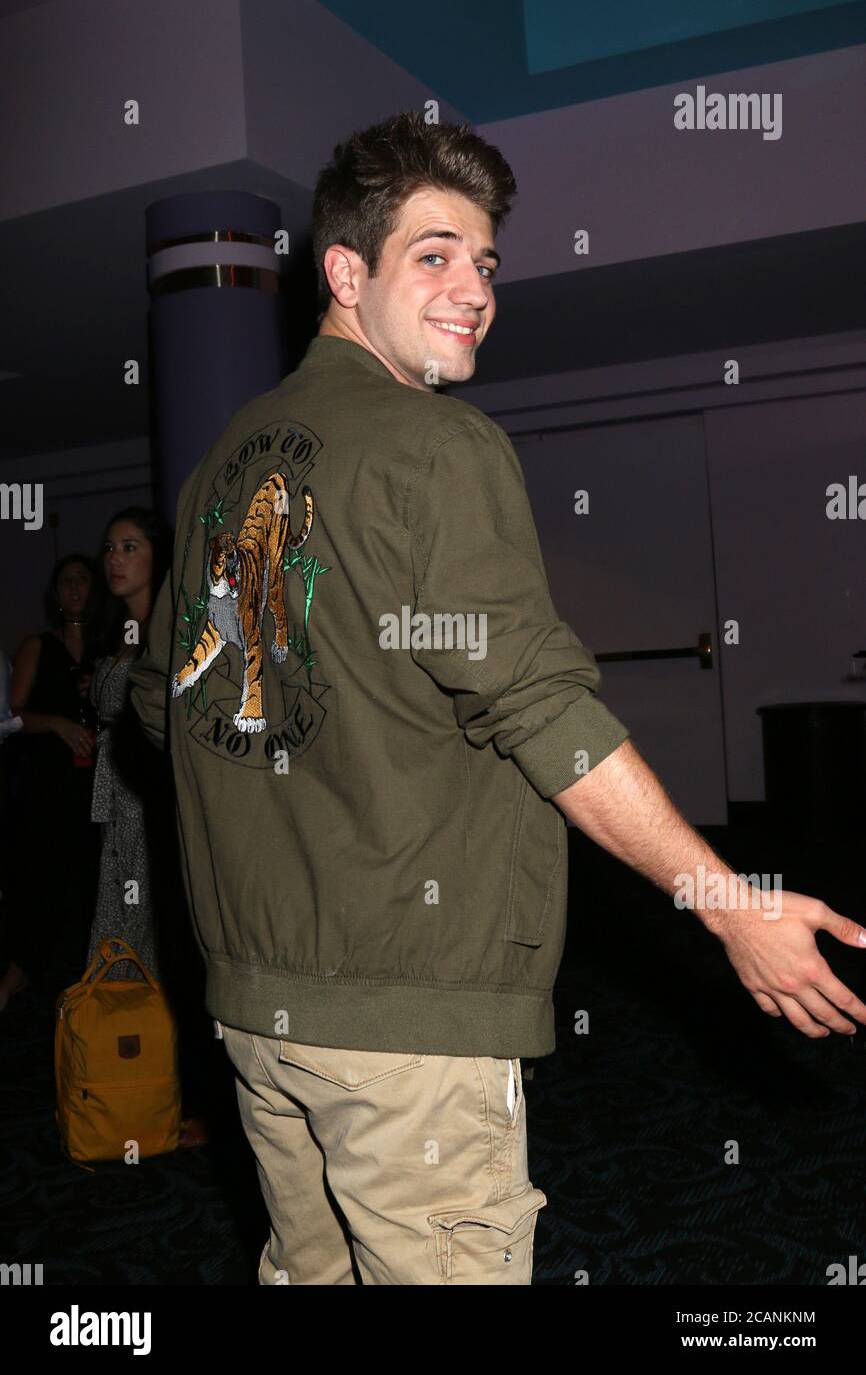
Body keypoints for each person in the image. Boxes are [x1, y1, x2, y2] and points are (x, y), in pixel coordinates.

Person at [127, 112, 866, 1286]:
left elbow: (167, 709)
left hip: (257, 1014)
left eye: (484, 262)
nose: (472, 288)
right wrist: (727, 902)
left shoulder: (222, 467)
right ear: (344, 271)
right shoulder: (436, 444)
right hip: (407, 1023)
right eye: (433, 255)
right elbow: (538, 704)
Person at [86, 507, 210, 1145]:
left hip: (158, 804)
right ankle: (136, 1089)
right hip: (121, 811)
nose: (114, 559)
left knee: (174, 950)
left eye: (129, 547)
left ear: (154, 558)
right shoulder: (116, 630)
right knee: (129, 945)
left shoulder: (171, 629)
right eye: (109, 548)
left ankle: (195, 1103)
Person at [0, 555, 101, 1010]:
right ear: (55, 596)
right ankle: (18, 976)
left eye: (83, 579)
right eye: (66, 581)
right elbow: (13, 714)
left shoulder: (112, 646)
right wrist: (60, 725)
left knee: (97, 886)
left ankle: (100, 988)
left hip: (100, 785)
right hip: (49, 785)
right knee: (38, 881)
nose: (75, 587)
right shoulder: (38, 646)